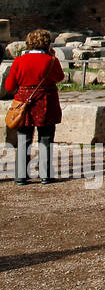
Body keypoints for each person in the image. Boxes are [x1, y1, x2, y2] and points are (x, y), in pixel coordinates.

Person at [4, 29, 64, 185]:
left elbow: (9, 86)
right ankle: (45, 175)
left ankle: (21, 176)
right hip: (46, 102)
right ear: (47, 44)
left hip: (24, 103)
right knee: (46, 139)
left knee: (24, 139)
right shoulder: (51, 61)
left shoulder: (19, 61)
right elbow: (60, 77)